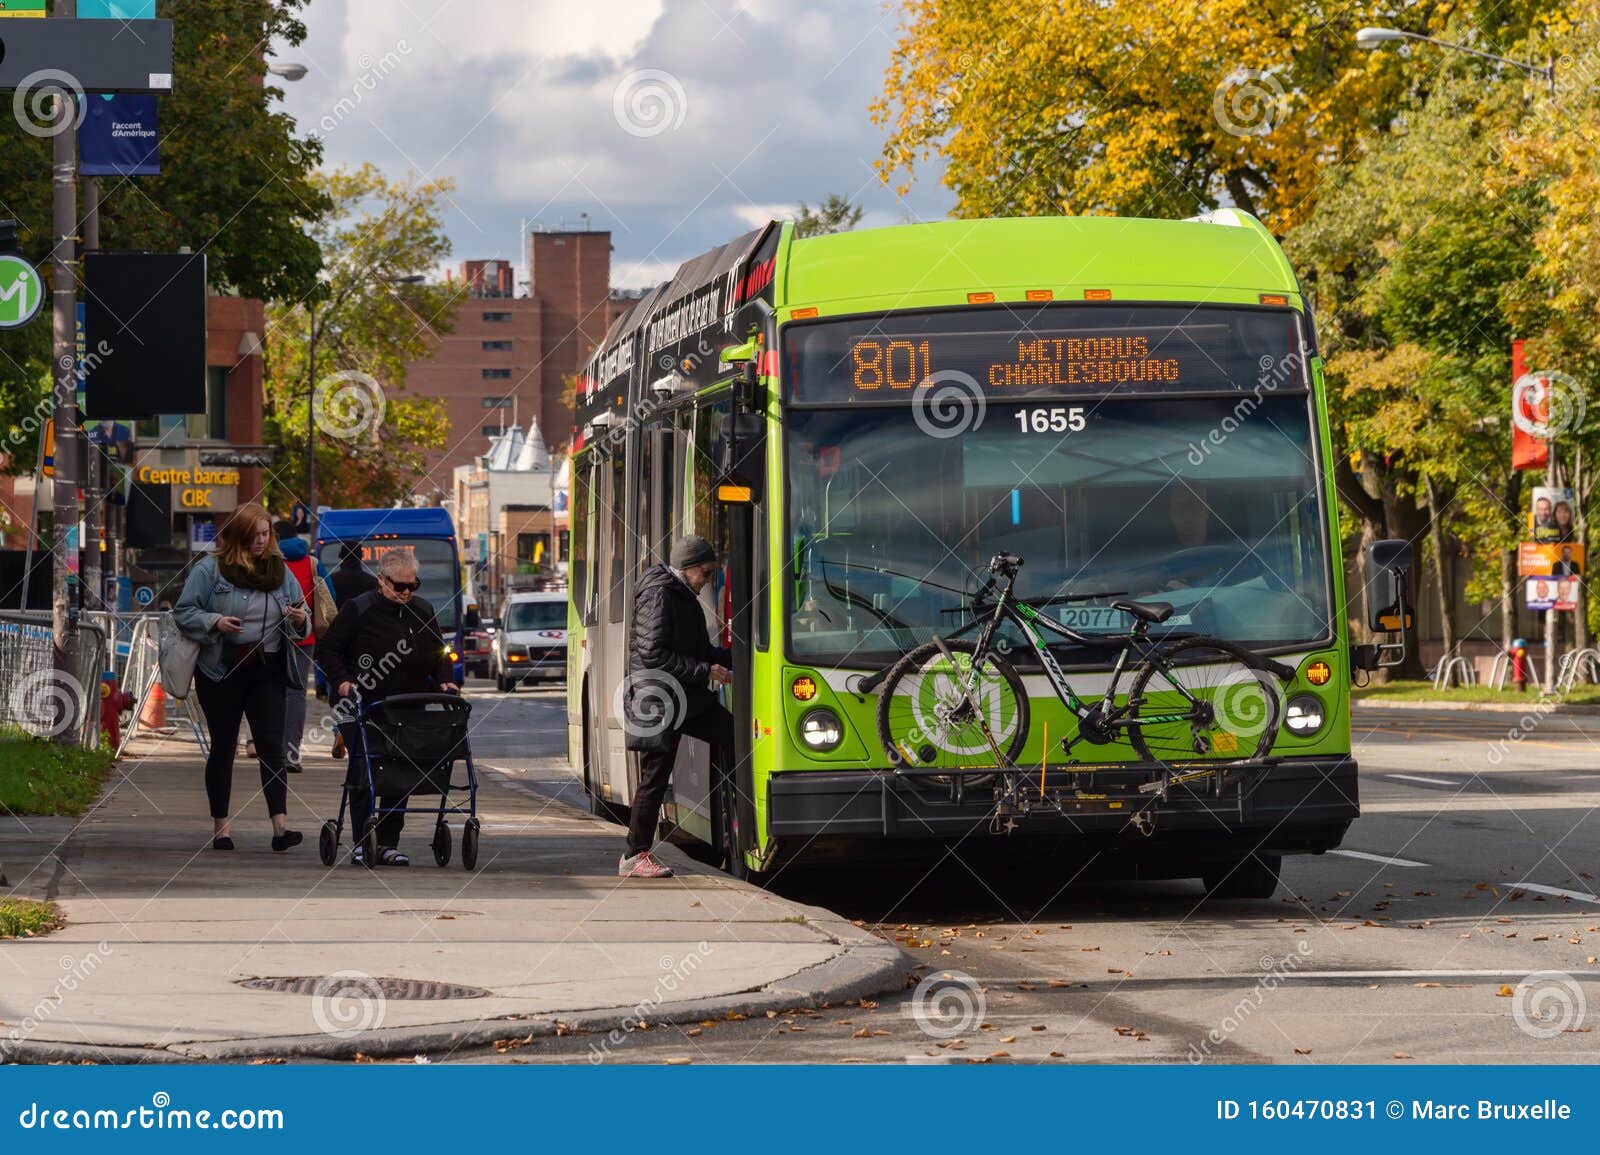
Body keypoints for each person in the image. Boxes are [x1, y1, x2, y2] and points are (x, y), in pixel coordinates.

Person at [173, 502, 311, 853]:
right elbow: (184, 611)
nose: (261, 542)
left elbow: (304, 615)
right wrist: (214, 622)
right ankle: (222, 828)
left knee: (272, 747)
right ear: (238, 537)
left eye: (265, 534)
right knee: (224, 747)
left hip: (268, 668)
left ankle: (280, 828)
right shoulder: (211, 570)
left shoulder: (280, 572)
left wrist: (298, 619)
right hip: (222, 669)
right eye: (253, 536)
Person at [316, 548, 457, 867]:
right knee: (364, 767)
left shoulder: (422, 610)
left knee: (401, 768)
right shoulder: (359, 609)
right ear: (381, 580)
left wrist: (446, 680)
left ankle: (388, 841)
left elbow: (440, 652)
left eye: (413, 585)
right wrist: (341, 679)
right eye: (399, 586)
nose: (406, 592)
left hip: (405, 705)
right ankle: (363, 842)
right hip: (358, 703)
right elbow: (328, 649)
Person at [620, 534, 733, 879]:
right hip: (660, 701)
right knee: (654, 778)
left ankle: (742, 822)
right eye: (707, 573)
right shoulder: (660, 595)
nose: (708, 581)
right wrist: (705, 670)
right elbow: (654, 654)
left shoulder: (681, 594)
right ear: (689, 569)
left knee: (736, 738)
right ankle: (634, 855)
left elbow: (697, 648)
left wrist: (735, 657)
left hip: (684, 698)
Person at [327, 543, 379, 758]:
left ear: (340, 558)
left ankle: (340, 728)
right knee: (366, 688)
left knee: (338, 689)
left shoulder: (333, 580)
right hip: (365, 646)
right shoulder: (370, 581)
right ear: (361, 557)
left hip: (338, 643)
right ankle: (361, 728)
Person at [275, 520, 317, 772]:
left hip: (273, 637)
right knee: (297, 694)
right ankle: (291, 751)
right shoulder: (312, 563)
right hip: (305, 638)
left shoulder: (271, 564)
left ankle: (268, 747)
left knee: (270, 691)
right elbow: (329, 597)